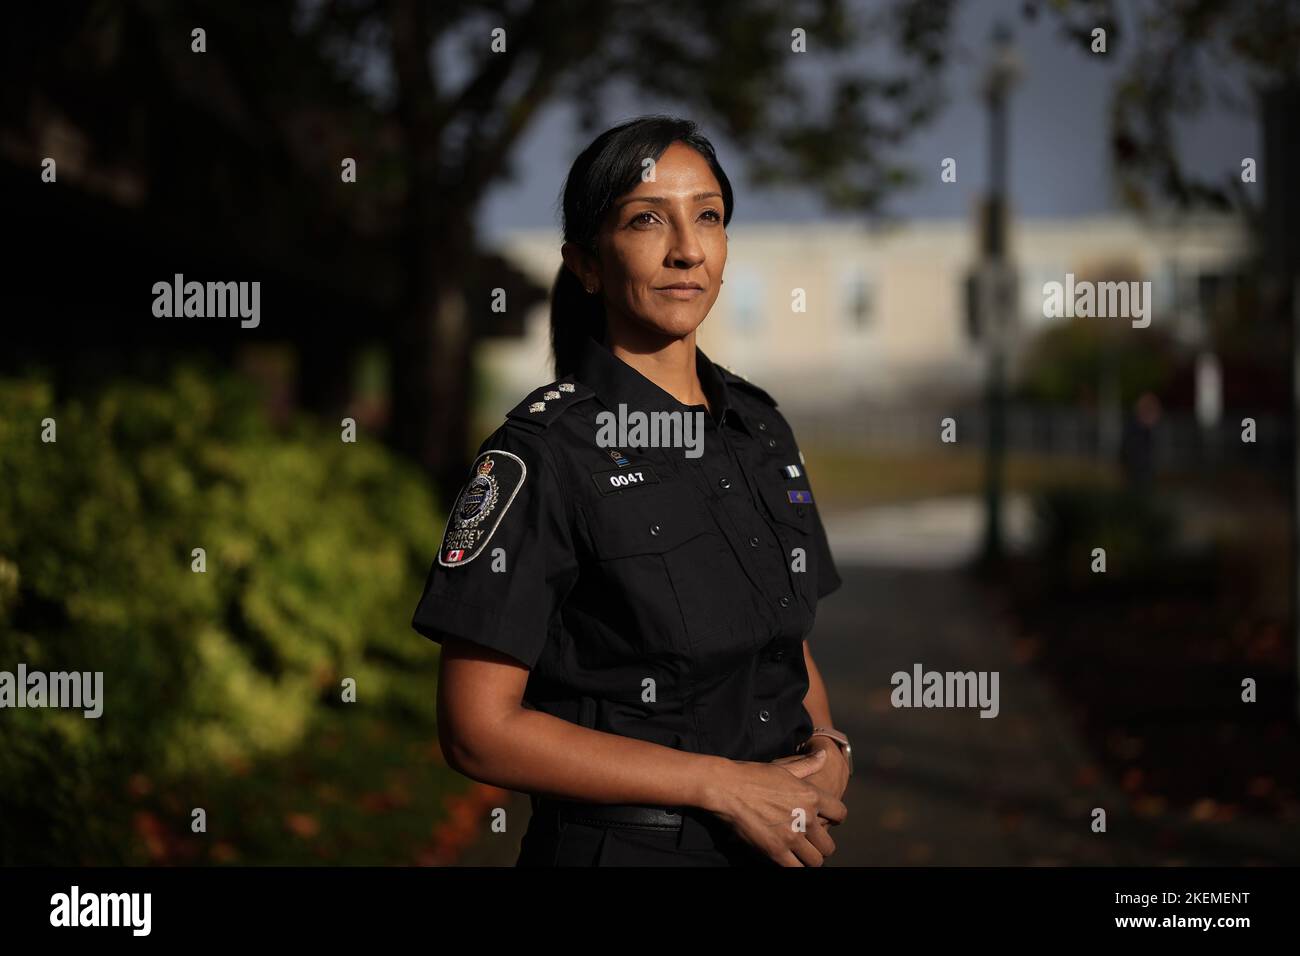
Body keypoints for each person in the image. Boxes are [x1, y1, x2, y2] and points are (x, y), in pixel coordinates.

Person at [410, 115, 851, 866]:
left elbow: (785, 639)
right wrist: (722, 786)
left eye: (707, 216)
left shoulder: (761, 429)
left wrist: (828, 744)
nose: (687, 248)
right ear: (585, 264)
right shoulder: (544, 454)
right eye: (647, 219)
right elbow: (476, 730)